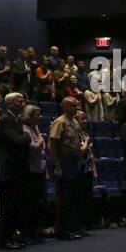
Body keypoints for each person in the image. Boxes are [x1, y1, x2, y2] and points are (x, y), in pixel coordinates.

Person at [0, 92, 31, 249]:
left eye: (23, 101)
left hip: (14, 170)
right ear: (9, 104)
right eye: (19, 101)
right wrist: (28, 137)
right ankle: (4, 240)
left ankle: (10, 236)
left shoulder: (15, 119)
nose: (23, 103)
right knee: (7, 207)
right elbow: (17, 141)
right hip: (5, 169)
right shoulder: (6, 119)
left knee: (13, 206)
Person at [48, 96, 85, 240]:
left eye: (76, 106)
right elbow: (52, 145)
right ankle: (63, 230)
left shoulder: (75, 122)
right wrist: (56, 164)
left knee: (73, 196)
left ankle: (72, 227)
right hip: (64, 160)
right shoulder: (60, 122)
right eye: (72, 106)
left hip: (74, 161)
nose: (75, 108)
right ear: (64, 107)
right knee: (64, 197)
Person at [19, 102, 48, 242]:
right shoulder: (25, 129)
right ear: (29, 116)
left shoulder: (35, 129)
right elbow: (34, 147)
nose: (40, 117)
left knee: (38, 203)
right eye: (37, 115)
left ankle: (35, 231)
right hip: (30, 170)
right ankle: (27, 233)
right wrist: (41, 140)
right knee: (29, 204)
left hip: (40, 168)